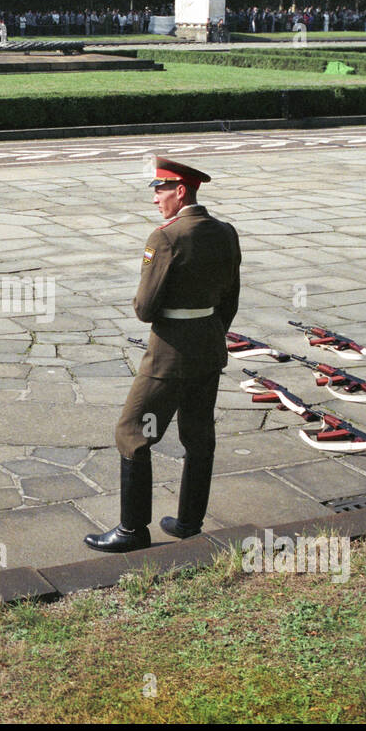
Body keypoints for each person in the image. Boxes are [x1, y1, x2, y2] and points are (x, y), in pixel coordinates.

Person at [86, 159, 242, 552]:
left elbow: (145, 309)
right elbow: (231, 299)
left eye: (160, 189)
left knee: (133, 433)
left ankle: (132, 531)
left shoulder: (165, 238)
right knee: (198, 435)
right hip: (208, 348)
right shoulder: (225, 232)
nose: (155, 198)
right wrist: (209, 332)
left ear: (181, 191)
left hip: (168, 356)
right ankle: (189, 521)